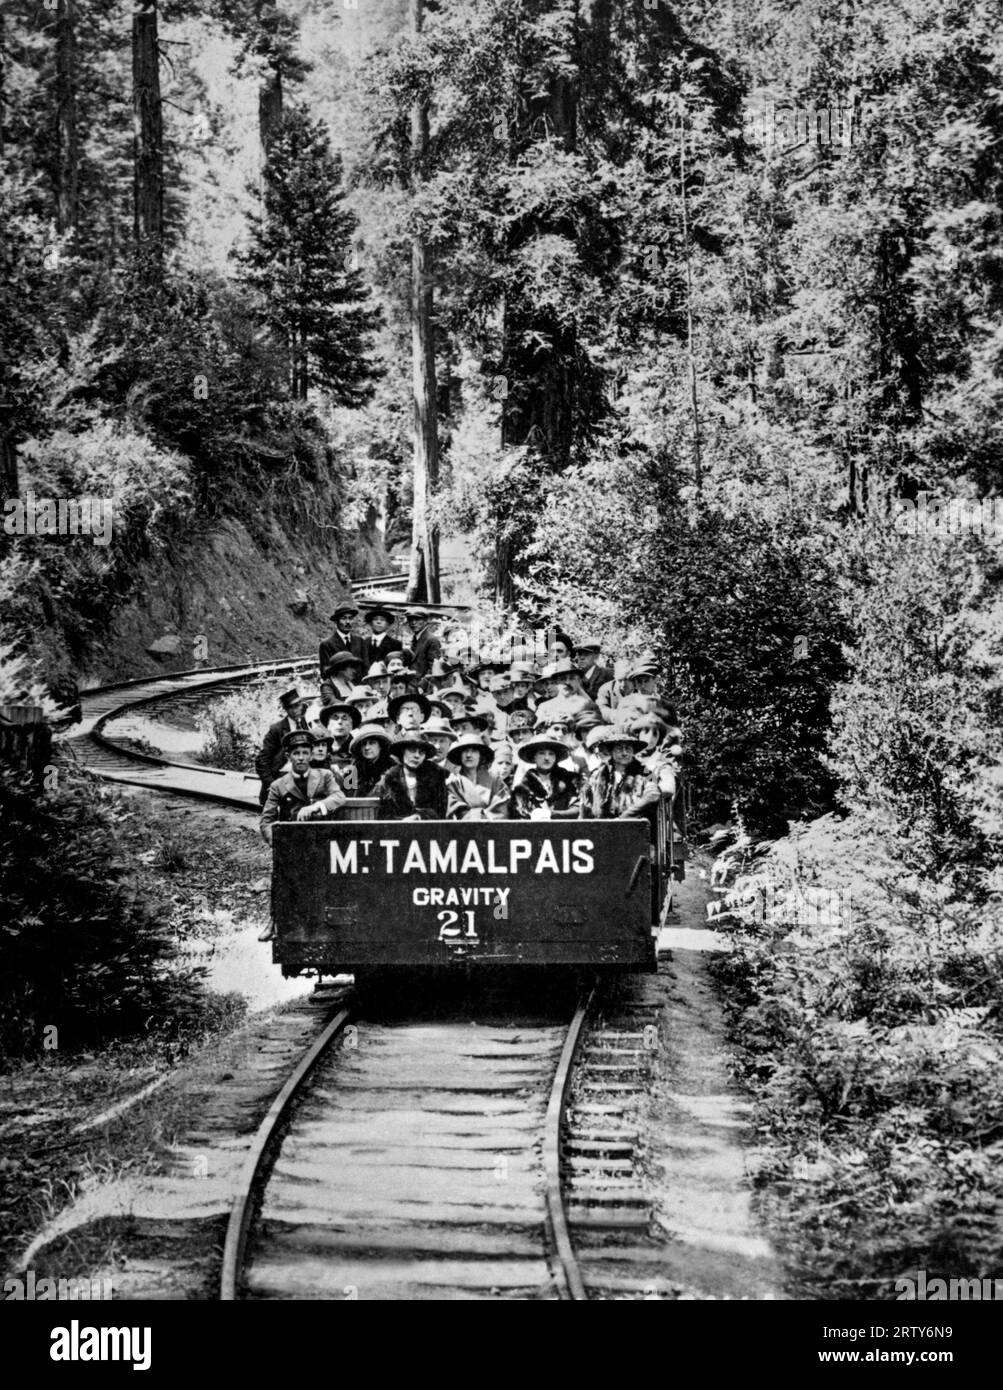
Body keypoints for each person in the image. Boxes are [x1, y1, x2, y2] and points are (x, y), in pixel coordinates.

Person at [259, 730, 347, 845]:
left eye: (305, 753)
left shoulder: (325, 775)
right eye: (296, 753)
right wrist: (275, 841)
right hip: (291, 841)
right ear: (288, 756)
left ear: (311, 756)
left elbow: (339, 797)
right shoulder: (278, 785)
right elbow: (266, 820)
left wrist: (315, 806)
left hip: (321, 839)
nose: (301, 758)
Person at [580, 729, 660, 820]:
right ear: (611, 751)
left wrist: (624, 818)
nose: (624, 753)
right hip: (602, 829)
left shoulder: (647, 772)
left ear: (633, 751)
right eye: (619, 748)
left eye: (628, 748)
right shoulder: (597, 775)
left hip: (635, 827)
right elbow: (585, 807)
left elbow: (654, 794)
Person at [255, 687, 310, 807]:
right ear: (286, 709)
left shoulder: (307, 724)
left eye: (298, 705)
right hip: (281, 776)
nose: (296, 710)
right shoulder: (277, 729)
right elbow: (261, 761)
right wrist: (273, 785)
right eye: (292, 707)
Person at [375, 733, 448, 820]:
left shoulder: (435, 777)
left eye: (421, 752)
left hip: (428, 829)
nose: (417, 756)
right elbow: (384, 814)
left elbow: (440, 811)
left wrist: (420, 816)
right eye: (412, 750)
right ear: (403, 752)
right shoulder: (390, 778)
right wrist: (403, 821)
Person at [510, 734, 581, 820]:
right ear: (534, 757)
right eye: (542, 753)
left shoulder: (569, 780)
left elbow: (578, 808)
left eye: (551, 754)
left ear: (555, 758)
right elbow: (520, 815)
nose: (547, 758)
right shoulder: (523, 787)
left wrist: (552, 814)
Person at [445, 734, 510, 820]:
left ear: (481, 755)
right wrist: (477, 816)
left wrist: (482, 818)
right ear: (460, 755)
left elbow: (500, 810)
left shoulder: (496, 781)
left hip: (493, 829)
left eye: (474, 751)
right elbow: (455, 810)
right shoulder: (452, 782)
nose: (468, 755)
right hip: (462, 829)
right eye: (465, 751)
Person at [534, 659, 600, 726]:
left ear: (579, 681)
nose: (567, 682)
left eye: (572, 678)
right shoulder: (545, 707)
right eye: (563, 679)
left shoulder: (587, 704)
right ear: (557, 682)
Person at [349, 722, 395, 796]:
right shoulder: (354, 768)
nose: (367, 748)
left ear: (381, 746)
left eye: (372, 743)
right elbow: (347, 795)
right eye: (364, 744)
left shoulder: (392, 767)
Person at [319, 604, 364, 677]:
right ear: (336, 622)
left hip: (359, 685)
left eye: (350, 618)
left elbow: (365, 666)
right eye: (343, 618)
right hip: (340, 685)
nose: (348, 622)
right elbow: (325, 672)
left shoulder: (360, 641)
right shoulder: (327, 644)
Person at [317, 700, 359, 775]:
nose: (340, 722)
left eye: (344, 718)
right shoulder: (321, 749)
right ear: (328, 725)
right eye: (335, 718)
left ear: (351, 725)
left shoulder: (357, 750)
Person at [404, 609, 441, 680]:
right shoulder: (416, 638)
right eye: (410, 619)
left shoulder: (431, 640)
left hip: (422, 685)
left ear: (425, 621)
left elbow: (433, 668)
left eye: (417, 619)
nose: (413, 623)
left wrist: (422, 686)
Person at [596, 659, 635, 724]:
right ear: (615, 677)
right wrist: (616, 715)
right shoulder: (606, 689)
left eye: (627, 680)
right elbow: (602, 709)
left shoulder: (640, 688)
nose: (623, 684)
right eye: (620, 680)